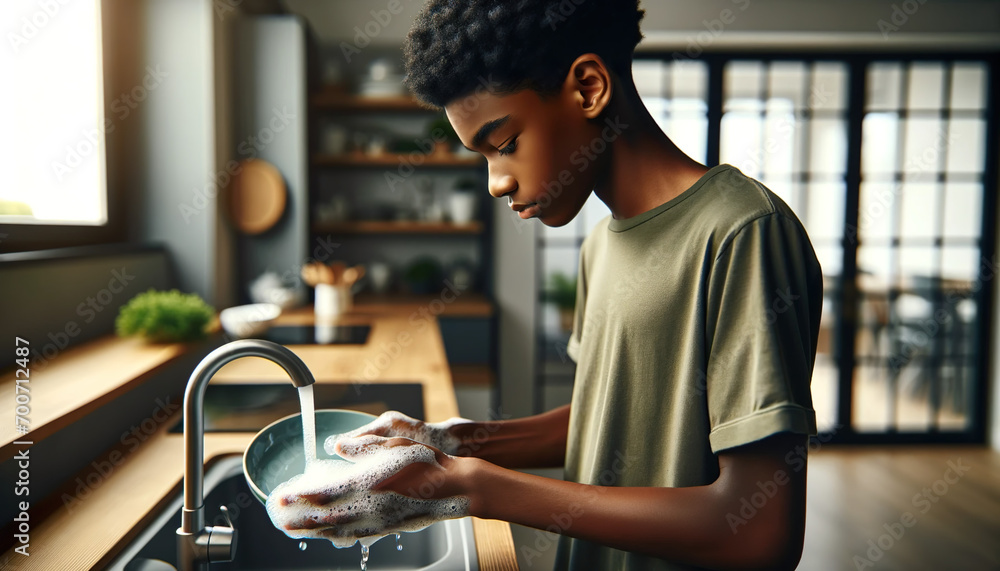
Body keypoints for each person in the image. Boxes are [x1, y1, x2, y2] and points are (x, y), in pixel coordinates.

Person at [283, 2, 823, 569]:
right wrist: (453, 442)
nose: (496, 182)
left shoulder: (743, 233)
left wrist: (476, 488)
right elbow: (604, 416)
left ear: (588, 88)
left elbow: (759, 532)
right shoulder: (601, 245)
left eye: (505, 143)